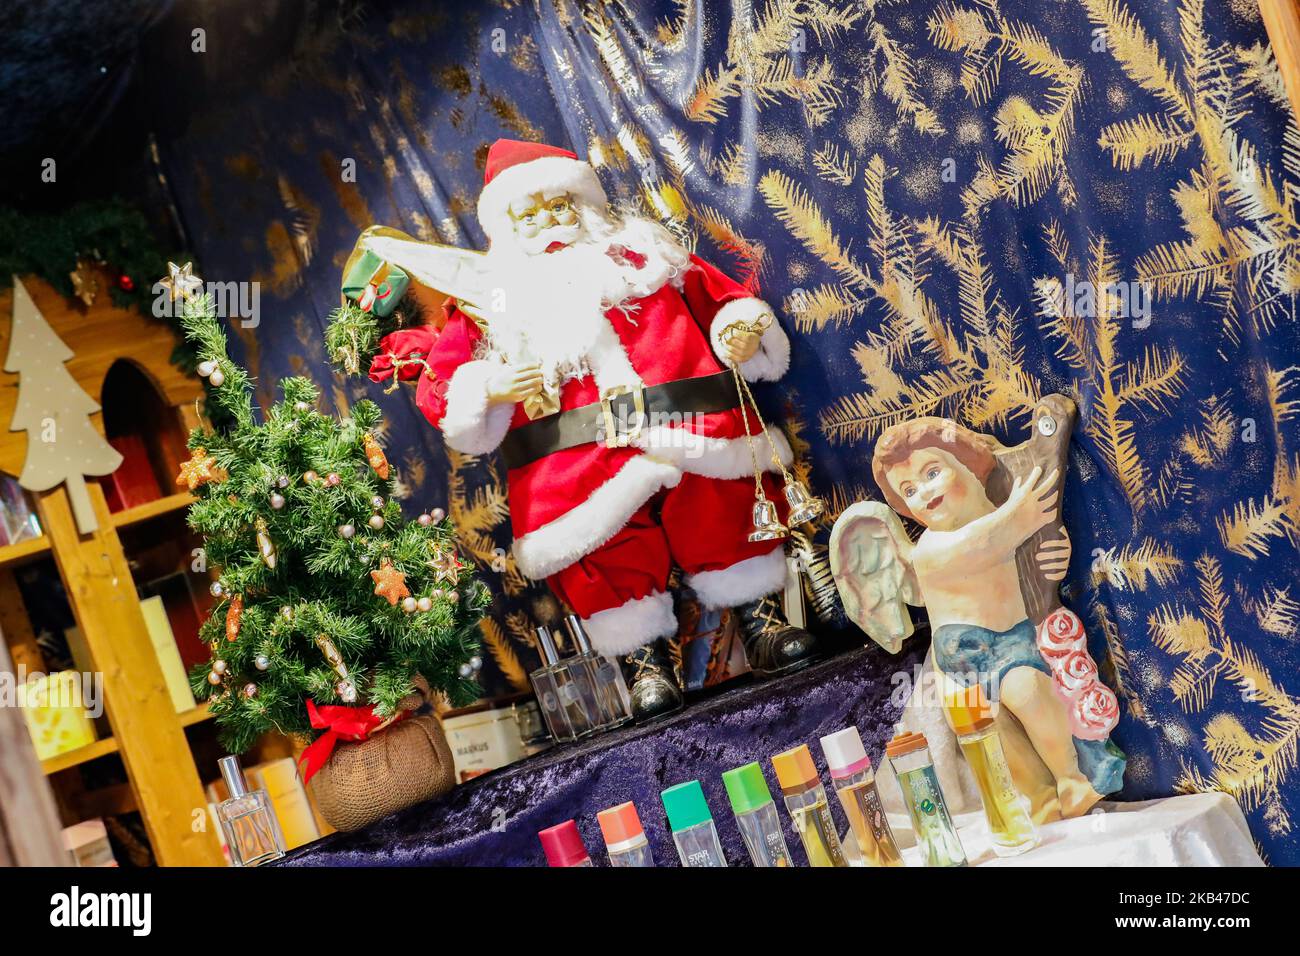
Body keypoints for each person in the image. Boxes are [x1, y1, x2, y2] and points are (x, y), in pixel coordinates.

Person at [374, 139, 818, 719]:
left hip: (692, 426)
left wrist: (742, 332)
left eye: (557, 206)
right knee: (604, 555)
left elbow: (722, 301)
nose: (548, 225)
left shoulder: (646, 257)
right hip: (575, 465)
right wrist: (489, 387)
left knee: (722, 509)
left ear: (580, 203)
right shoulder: (491, 303)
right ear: (507, 228)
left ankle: (761, 617)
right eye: (527, 216)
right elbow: (446, 386)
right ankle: (643, 660)